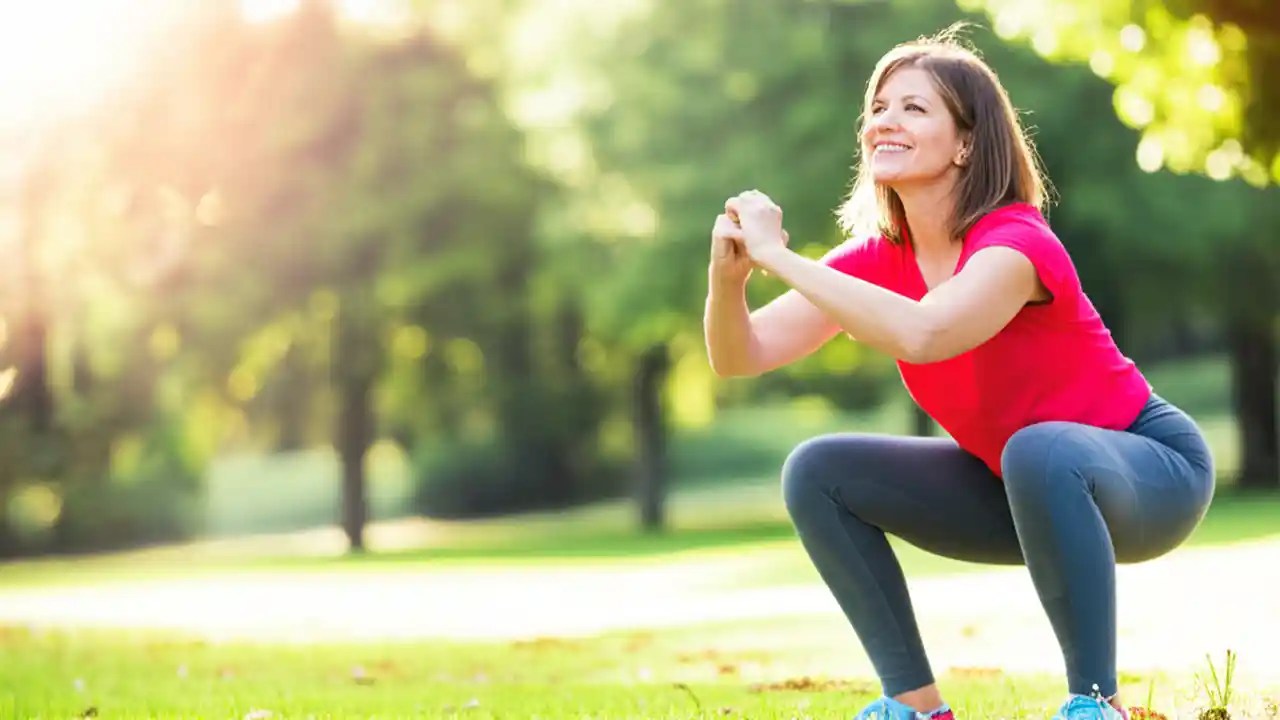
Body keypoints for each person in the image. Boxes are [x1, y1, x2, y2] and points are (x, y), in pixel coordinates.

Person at [702, 28, 1215, 720]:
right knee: (818, 470)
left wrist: (779, 257)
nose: (885, 119)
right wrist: (729, 278)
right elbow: (740, 356)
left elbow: (926, 333)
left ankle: (1097, 705)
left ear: (966, 143)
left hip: (1150, 473)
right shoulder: (879, 259)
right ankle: (914, 706)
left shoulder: (1015, 243)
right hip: (1020, 485)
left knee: (1038, 447)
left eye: (914, 108)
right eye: (878, 107)